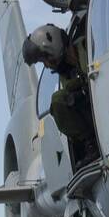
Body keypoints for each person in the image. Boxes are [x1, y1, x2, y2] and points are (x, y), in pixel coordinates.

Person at [22, 24, 96, 159]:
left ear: (52, 46)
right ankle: (90, 143)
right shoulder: (66, 73)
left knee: (59, 99)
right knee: (58, 102)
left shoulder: (87, 48)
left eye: (44, 59)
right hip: (96, 118)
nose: (46, 64)